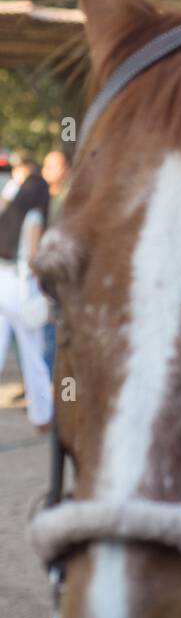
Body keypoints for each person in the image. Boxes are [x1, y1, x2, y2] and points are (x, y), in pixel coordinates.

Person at [0, 154, 54, 431]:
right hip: (22, 285)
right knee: (33, 354)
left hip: (2, 279)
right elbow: (33, 256)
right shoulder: (33, 215)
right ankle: (43, 415)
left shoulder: (9, 209)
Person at [39, 150, 71, 377]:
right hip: (46, 272)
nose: (47, 171)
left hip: (62, 273)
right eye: (46, 166)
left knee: (57, 330)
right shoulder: (44, 194)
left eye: (53, 166)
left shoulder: (70, 196)